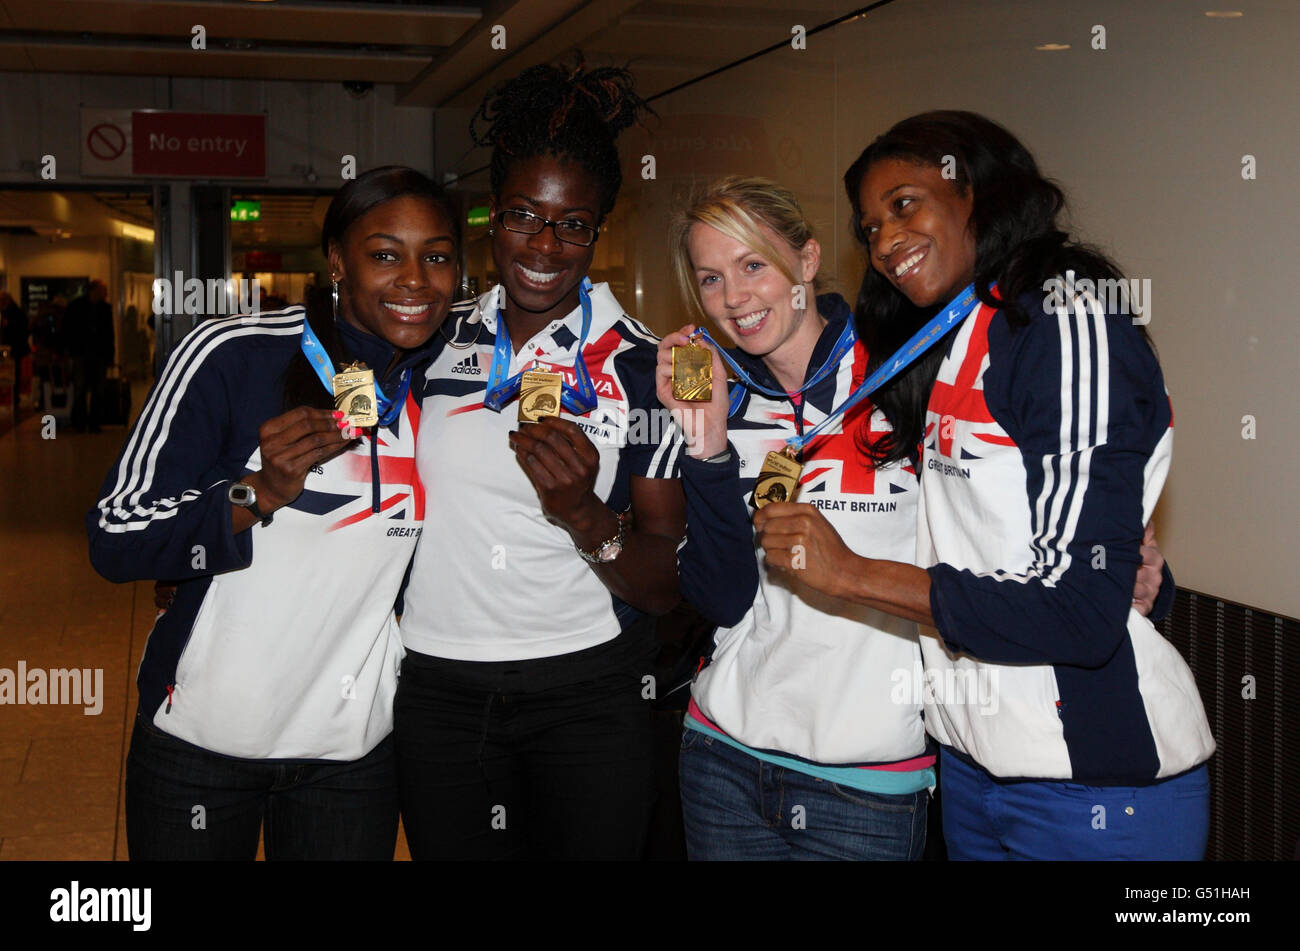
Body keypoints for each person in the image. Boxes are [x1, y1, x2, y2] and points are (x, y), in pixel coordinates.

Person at [657, 176, 1172, 861]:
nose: (736, 297)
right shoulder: (710, 392)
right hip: (721, 756)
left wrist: (1140, 579)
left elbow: (1021, 512)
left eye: (754, 265)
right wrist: (708, 444)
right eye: (711, 277)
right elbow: (721, 596)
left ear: (807, 260)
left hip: (866, 781)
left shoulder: (909, 372)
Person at [754, 111, 1214, 860]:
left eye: (904, 203)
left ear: (978, 190)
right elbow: (1026, 539)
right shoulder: (954, 334)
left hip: (1090, 783)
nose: (885, 241)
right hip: (973, 769)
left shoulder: (1068, 314)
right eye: (869, 227)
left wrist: (852, 572)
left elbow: (1077, 612)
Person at [393, 60, 751, 860]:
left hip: (585, 698)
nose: (546, 245)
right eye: (524, 214)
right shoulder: (431, 338)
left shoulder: (640, 365)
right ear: (491, 214)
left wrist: (584, 514)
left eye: (574, 224)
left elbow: (665, 583)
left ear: (599, 229)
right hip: (440, 693)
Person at [87, 166, 462, 860]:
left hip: (350, 755)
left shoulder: (442, 371)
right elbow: (116, 535)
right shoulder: (233, 355)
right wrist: (252, 494)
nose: (415, 278)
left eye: (437, 256)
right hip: (202, 743)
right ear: (337, 262)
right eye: (385, 253)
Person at [64, 279, 114, 432]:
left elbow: (109, 334)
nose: (105, 294)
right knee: (80, 389)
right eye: (102, 290)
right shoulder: (76, 307)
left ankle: (94, 423)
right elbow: (68, 330)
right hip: (81, 354)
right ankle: (80, 422)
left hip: (98, 355)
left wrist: (109, 355)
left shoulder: (105, 309)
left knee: (98, 390)